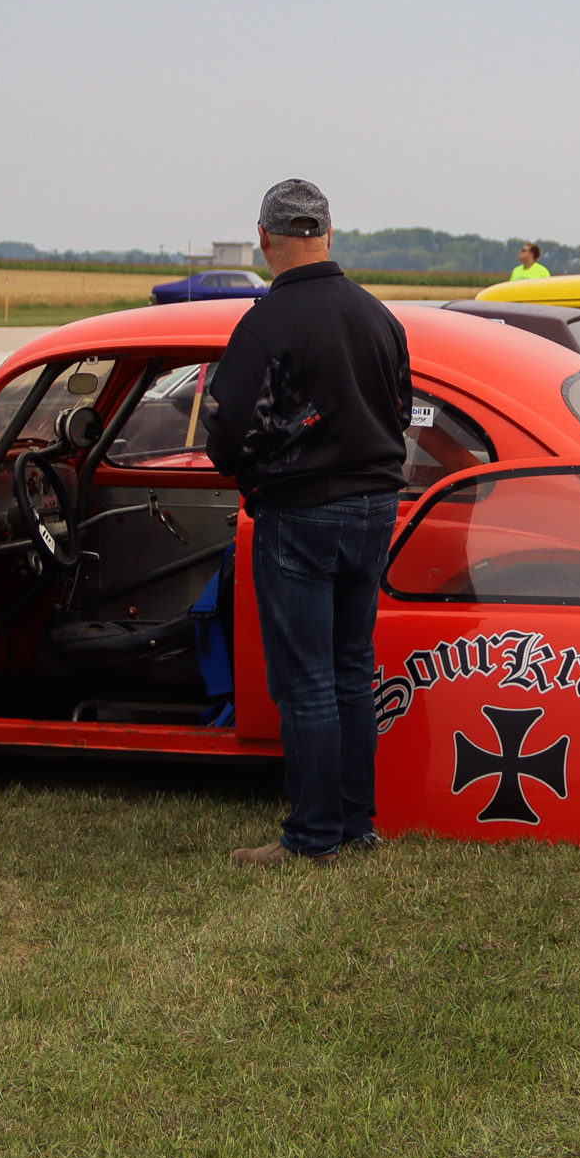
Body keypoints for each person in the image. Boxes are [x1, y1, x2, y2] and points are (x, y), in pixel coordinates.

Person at [206, 180, 412, 868]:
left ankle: (313, 835)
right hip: (377, 509)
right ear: (328, 234)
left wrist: (248, 472)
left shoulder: (267, 323)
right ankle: (356, 823)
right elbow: (402, 414)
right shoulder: (380, 317)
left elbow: (229, 428)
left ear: (265, 239)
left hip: (300, 512)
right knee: (353, 668)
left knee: (307, 681)